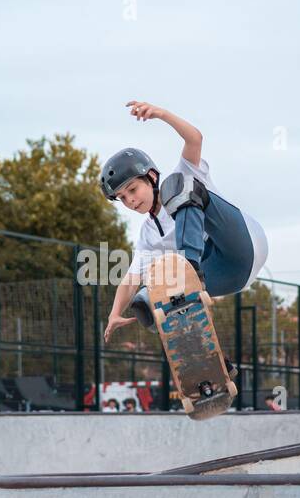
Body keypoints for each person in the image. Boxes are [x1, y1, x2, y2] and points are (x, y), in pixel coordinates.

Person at [100, 102, 268, 375]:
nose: (131, 201)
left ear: (151, 176)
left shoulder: (183, 174)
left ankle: (190, 269)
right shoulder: (148, 235)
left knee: (178, 188)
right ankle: (210, 361)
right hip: (228, 275)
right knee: (147, 299)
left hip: (243, 244)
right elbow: (131, 279)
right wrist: (114, 314)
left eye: (133, 189)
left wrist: (160, 114)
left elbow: (195, 138)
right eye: (123, 198)